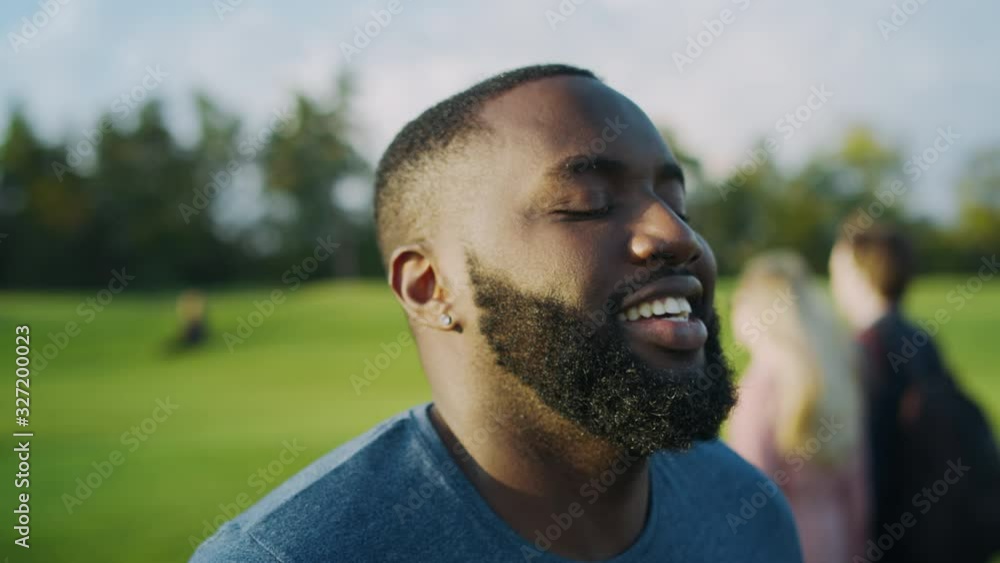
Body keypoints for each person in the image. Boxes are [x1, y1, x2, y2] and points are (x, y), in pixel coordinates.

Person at [191, 64, 803, 562]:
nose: (675, 235)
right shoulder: (288, 556)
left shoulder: (745, 509)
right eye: (587, 203)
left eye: (677, 202)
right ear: (431, 288)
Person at [829, 225, 1000, 563]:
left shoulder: (867, 349)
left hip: (894, 531)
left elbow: (870, 457)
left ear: (856, 274)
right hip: (936, 526)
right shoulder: (921, 338)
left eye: (837, 270)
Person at [727, 252, 868, 563]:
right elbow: (858, 490)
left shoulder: (756, 391)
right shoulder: (837, 378)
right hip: (836, 538)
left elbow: (752, 494)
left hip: (783, 545)